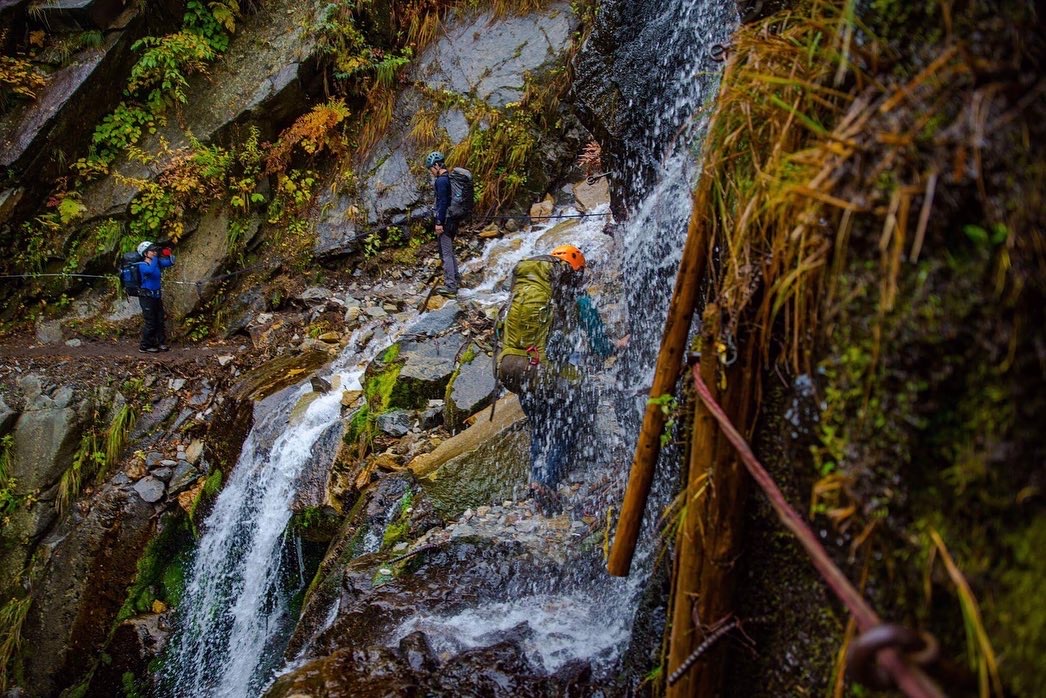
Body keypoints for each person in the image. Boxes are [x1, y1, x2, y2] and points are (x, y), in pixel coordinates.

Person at [495, 244, 625, 515]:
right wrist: (616, 345)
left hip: (518, 371)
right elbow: (599, 343)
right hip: (551, 376)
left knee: (540, 427)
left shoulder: (525, 294)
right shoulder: (578, 299)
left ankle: (536, 478)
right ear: (573, 272)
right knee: (562, 426)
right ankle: (547, 482)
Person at [426, 151, 461, 297]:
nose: (431, 172)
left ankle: (450, 286)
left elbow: (442, 202)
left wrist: (439, 222)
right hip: (453, 220)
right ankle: (456, 279)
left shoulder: (441, 181)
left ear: (436, 165)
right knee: (449, 251)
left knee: (446, 253)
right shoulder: (449, 178)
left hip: (445, 221)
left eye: (431, 169)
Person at [136, 240, 174, 353]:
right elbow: (149, 271)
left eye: (154, 250)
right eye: (151, 251)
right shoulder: (142, 265)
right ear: (145, 253)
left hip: (156, 297)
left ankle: (160, 342)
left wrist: (168, 253)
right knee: (150, 322)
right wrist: (157, 258)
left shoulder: (156, 263)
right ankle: (144, 346)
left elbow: (171, 262)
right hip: (146, 298)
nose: (153, 252)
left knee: (160, 320)